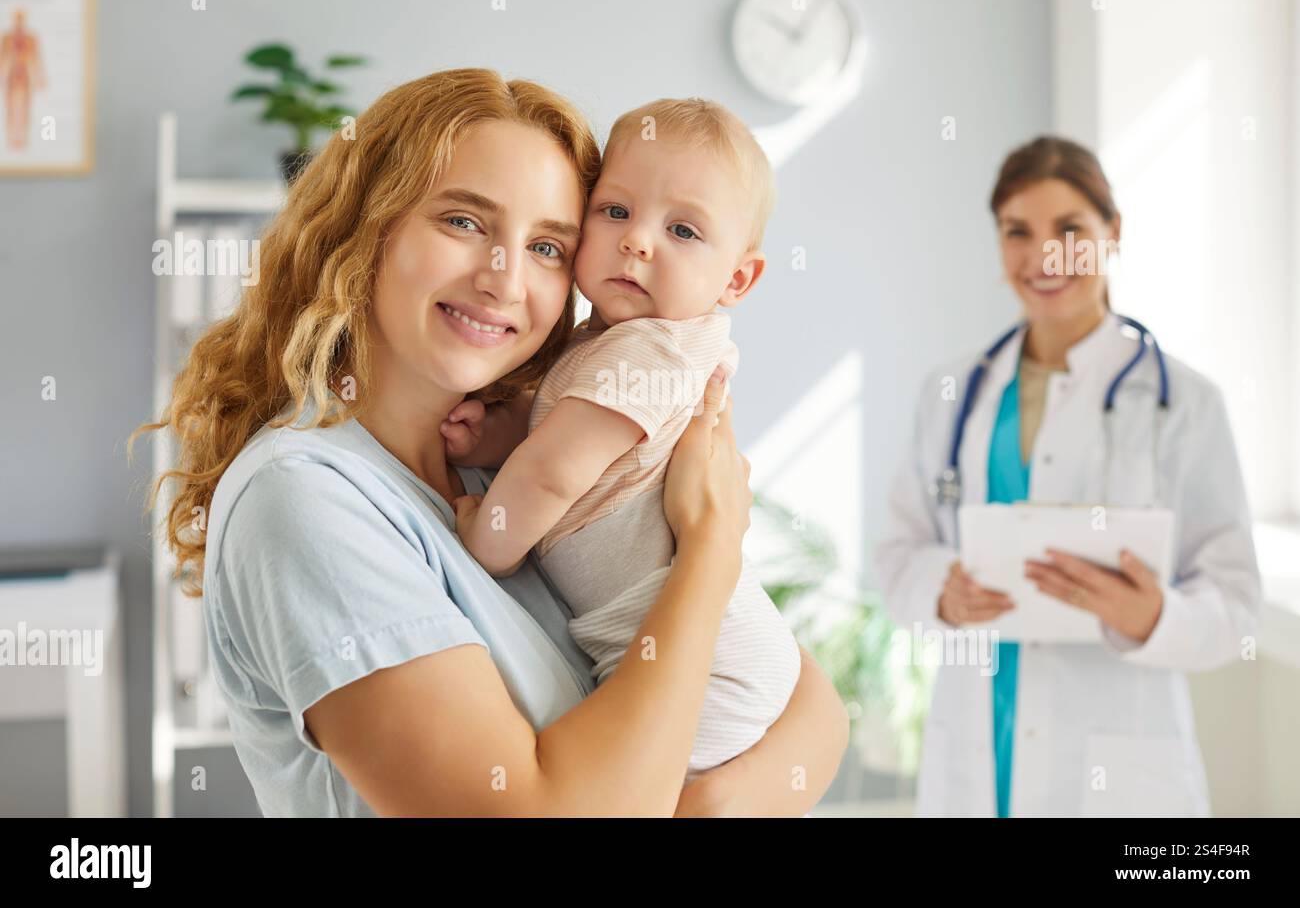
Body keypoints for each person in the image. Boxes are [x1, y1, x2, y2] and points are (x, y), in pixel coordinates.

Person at [131, 68, 848, 817]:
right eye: (464, 222)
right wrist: (709, 551)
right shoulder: (304, 500)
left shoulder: (494, 471)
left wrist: (704, 809)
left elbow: (819, 718)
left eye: (545, 246)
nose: (505, 279)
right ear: (367, 229)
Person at [874, 135, 1260, 817]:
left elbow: (1235, 607)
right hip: (974, 749)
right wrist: (942, 593)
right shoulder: (955, 391)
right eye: (1017, 231)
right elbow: (898, 555)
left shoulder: (1184, 404)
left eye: (1070, 229)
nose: (1044, 254)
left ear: (1113, 233)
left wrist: (1154, 616)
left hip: (1119, 770)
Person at [448, 97, 800, 781]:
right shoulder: (615, 344)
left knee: (618, 788)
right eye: (616, 212)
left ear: (737, 278)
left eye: (683, 230)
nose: (638, 240)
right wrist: (495, 434)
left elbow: (553, 473)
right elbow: (565, 426)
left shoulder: (651, 352)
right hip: (699, 638)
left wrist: (486, 537)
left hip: (712, 661)